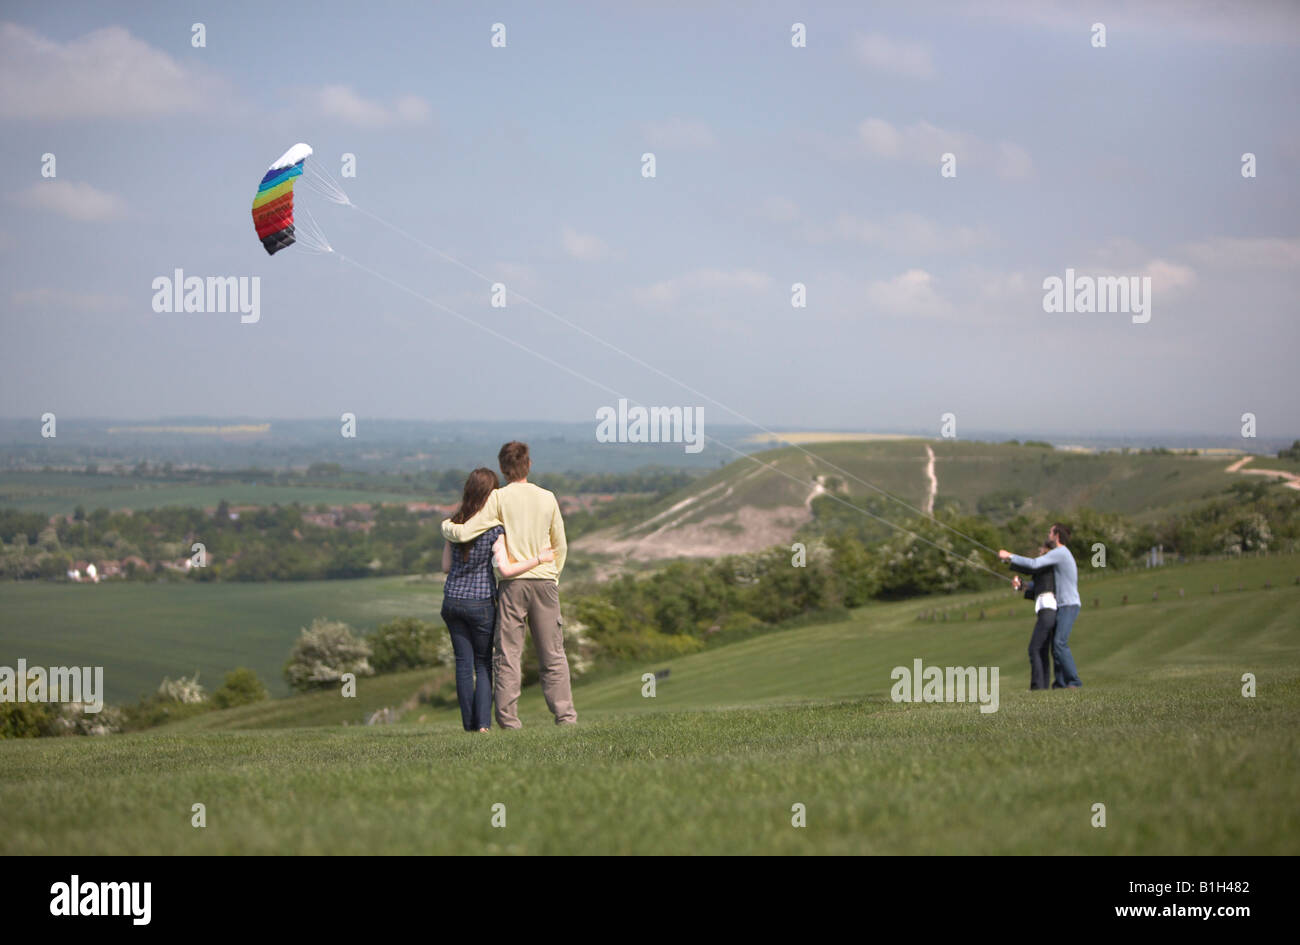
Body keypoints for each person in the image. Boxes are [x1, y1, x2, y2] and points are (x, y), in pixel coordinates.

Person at [441, 441, 575, 728]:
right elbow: (560, 544)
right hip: (544, 581)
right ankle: (565, 717)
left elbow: (464, 533)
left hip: (512, 584)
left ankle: (508, 721)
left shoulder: (498, 499)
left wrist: (445, 527)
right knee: (552, 653)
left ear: (502, 468)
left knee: (508, 655)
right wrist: (553, 575)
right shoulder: (547, 497)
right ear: (529, 464)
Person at [999, 523, 1081, 688]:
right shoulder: (1061, 554)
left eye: (1050, 532)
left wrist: (1010, 556)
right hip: (1062, 605)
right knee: (1055, 646)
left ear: (1057, 535)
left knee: (1059, 643)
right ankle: (1060, 683)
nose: (1048, 535)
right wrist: (1023, 585)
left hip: (1069, 604)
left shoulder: (1060, 553)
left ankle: (1074, 682)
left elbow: (1034, 564)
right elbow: (1041, 583)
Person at [1009, 544, 1057, 690]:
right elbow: (1036, 588)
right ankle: (1043, 686)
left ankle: (1037, 686)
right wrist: (1021, 585)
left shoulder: (1047, 565)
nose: (1039, 554)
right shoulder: (1046, 571)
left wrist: (1009, 560)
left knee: (1034, 649)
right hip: (1047, 611)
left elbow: (1032, 568)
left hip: (1047, 611)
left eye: (1041, 551)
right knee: (1042, 649)